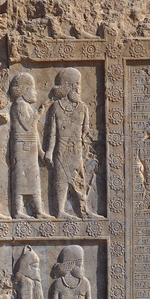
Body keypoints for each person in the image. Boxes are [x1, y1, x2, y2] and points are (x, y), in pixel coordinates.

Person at [44, 68, 94, 219]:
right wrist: (49, 151)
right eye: (77, 84)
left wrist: (85, 148)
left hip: (76, 149)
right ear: (69, 85)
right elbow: (52, 132)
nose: (79, 87)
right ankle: (60, 211)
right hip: (61, 148)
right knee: (61, 180)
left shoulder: (83, 107)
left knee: (79, 179)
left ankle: (84, 211)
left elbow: (86, 131)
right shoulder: (55, 107)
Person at [8, 73, 52, 219]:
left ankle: (38, 211)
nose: (35, 92)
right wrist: (40, 112)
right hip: (22, 146)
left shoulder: (26, 106)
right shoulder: (19, 105)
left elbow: (34, 132)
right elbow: (28, 125)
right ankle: (18, 211)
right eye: (32, 89)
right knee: (21, 178)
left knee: (34, 178)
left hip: (30, 146)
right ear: (24, 90)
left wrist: (40, 152)